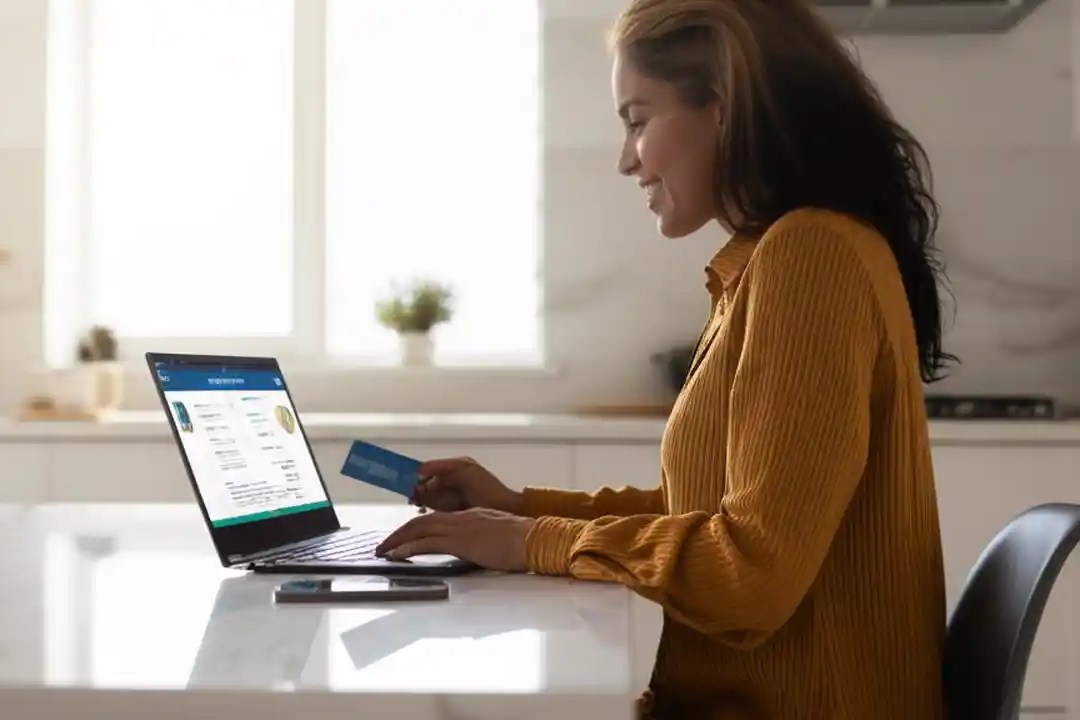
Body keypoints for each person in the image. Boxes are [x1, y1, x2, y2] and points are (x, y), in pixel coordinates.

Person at [374, 0, 954, 717]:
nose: (625, 159)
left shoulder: (811, 257)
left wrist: (531, 541)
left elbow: (751, 575)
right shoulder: (782, 257)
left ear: (723, 107)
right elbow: (713, 514)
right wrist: (519, 508)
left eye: (638, 119)